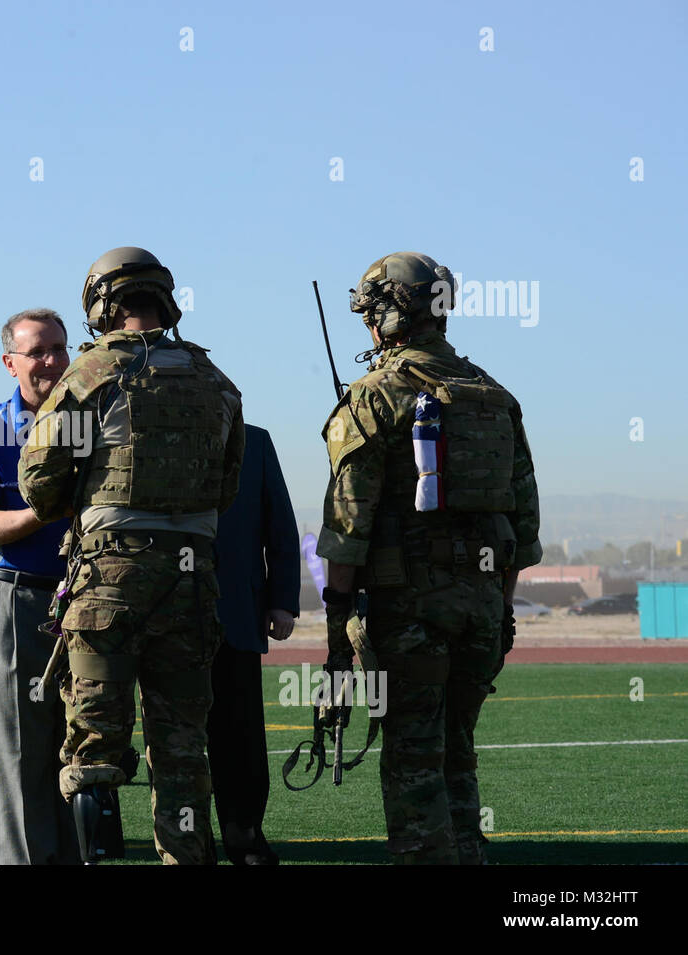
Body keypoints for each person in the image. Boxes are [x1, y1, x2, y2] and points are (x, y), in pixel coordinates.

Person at [18, 247, 244, 865]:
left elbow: (39, 481)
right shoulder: (216, 382)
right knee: (182, 748)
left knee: (95, 746)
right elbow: (226, 488)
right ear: (164, 297)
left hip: (109, 579)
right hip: (192, 582)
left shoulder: (92, 374)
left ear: (101, 302)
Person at [314, 251, 541, 864]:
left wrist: (337, 633)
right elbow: (521, 529)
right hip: (483, 615)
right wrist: (501, 610)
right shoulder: (495, 396)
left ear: (389, 312)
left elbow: (346, 530)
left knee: (414, 757)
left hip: (407, 612)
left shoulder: (376, 396)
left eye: (369, 312)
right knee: (456, 749)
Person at [0, 307, 79, 865]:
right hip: (16, 600)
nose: (51, 361)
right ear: (10, 363)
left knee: (86, 750)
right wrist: (45, 511)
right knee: (22, 759)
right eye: (37, 352)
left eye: (59, 348)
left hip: (87, 600)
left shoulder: (93, 426)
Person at [209, 423, 300, 865]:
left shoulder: (255, 441)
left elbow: (280, 524)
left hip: (237, 618)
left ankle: (244, 837)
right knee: (172, 741)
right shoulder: (144, 431)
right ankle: (186, 840)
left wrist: (283, 602)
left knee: (241, 738)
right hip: (164, 620)